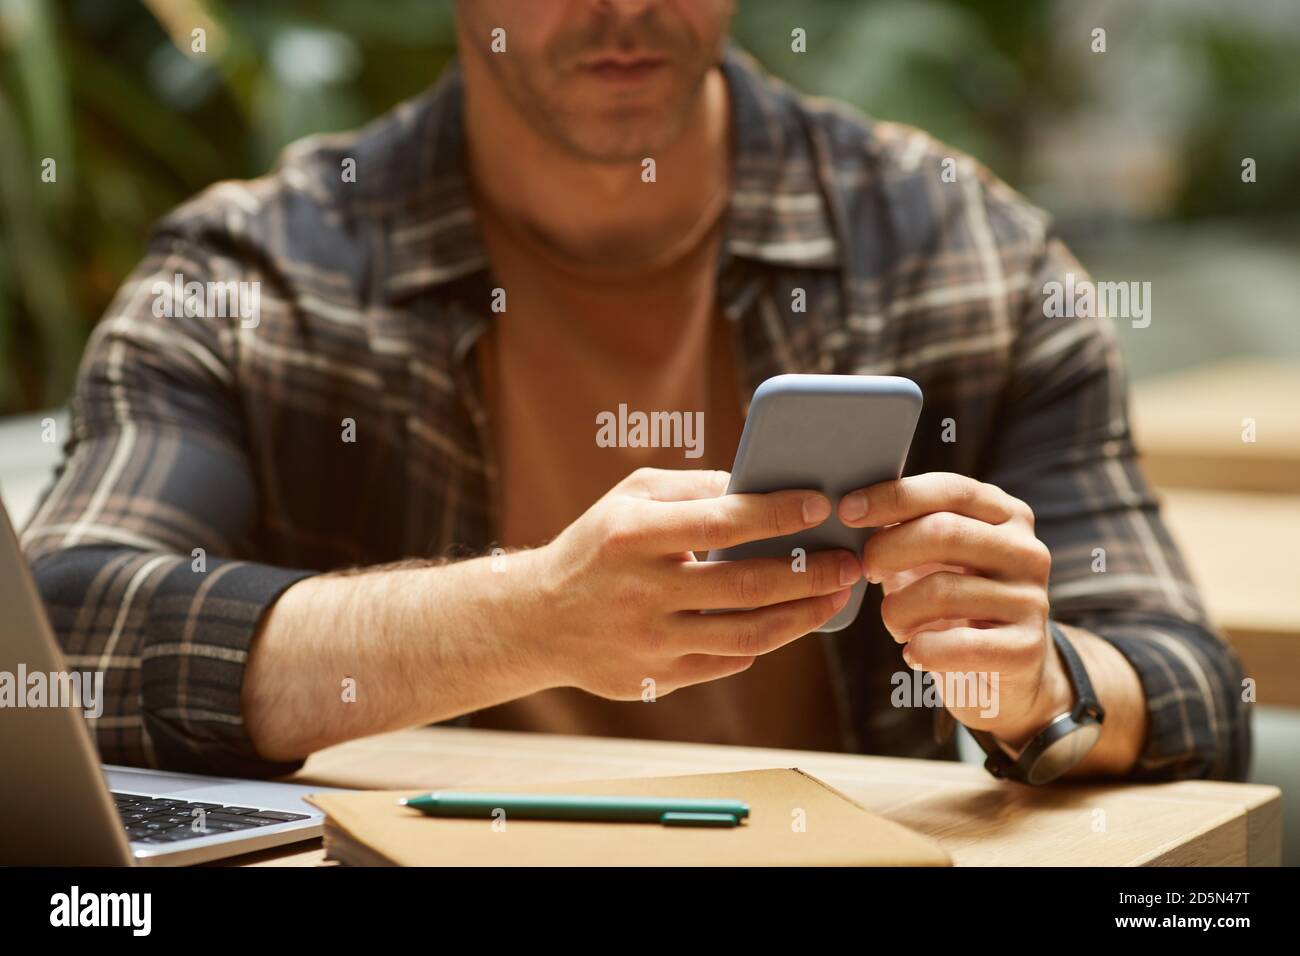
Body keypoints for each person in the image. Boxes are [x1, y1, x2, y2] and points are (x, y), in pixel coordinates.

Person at [23, 0, 1248, 781]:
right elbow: (57, 641)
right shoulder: (257, 272)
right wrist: (523, 617)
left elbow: (1193, 686)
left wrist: (1040, 689)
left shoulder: (964, 250)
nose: (621, 6)